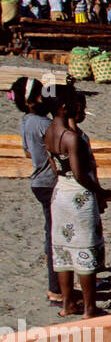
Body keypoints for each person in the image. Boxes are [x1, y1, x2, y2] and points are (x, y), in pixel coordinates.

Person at [44, 86, 111, 317]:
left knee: (64, 251)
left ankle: (67, 303)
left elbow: (57, 168)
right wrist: (101, 191)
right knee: (84, 251)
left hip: (60, 194)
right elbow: (79, 174)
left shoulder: (48, 132)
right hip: (78, 196)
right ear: (65, 108)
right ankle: (89, 307)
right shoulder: (71, 138)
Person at [10, 78, 58, 303]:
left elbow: (29, 152)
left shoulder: (26, 121)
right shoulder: (44, 124)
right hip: (50, 183)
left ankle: (58, 281)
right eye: (40, 95)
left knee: (51, 230)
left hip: (38, 181)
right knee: (55, 235)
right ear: (30, 102)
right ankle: (56, 287)